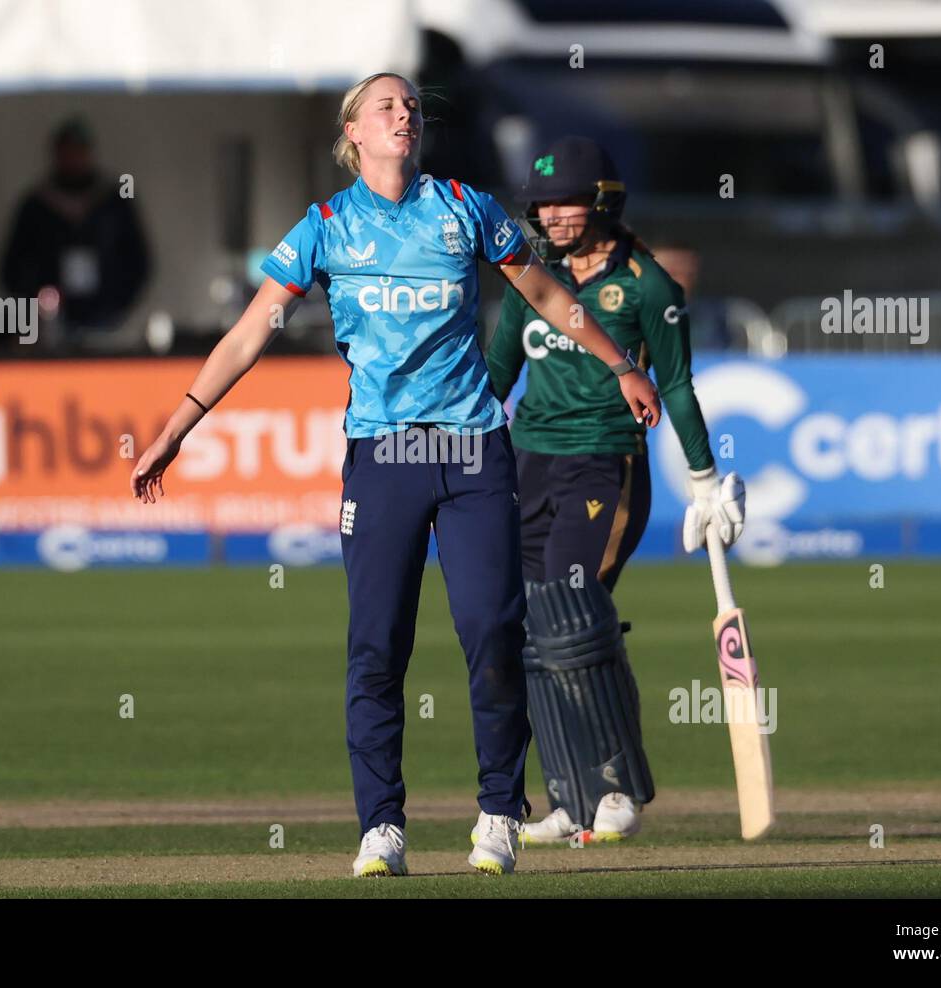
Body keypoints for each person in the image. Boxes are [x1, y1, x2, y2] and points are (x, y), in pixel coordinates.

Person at [129, 78, 661, 877]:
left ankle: (497, 812)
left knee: (491, 630)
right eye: (386, 106)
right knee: (377, 647)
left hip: (473, 449)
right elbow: (248, 334)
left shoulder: (464, 209)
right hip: (384, 457)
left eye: (411, 105)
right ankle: (382, 827)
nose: (404, 114)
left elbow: (546, 290)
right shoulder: (327, 227)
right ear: (354, 131)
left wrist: (620, 362)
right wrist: (177, 427)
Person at [485, 136, 745, 844]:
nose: (551, 214)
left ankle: (620, 786)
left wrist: (704, 480)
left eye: (564, 200)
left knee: (576, 613)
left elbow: (679, 386)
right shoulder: (532, 278)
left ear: (602, 200)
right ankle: (568, 800)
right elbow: (498, 375)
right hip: (528, 464)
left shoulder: (645, 285)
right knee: (533, 628)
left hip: (605, 466)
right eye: (541, 203)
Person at [0, 115, 150, 345]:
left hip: (108, 320)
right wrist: (34, 298)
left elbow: (139, 260)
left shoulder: (115, 199)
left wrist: (118, 301)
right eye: (67, 151)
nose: (73, 158)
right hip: (51, 322)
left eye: (78, 150)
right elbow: (11, 267)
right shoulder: (36, 204)